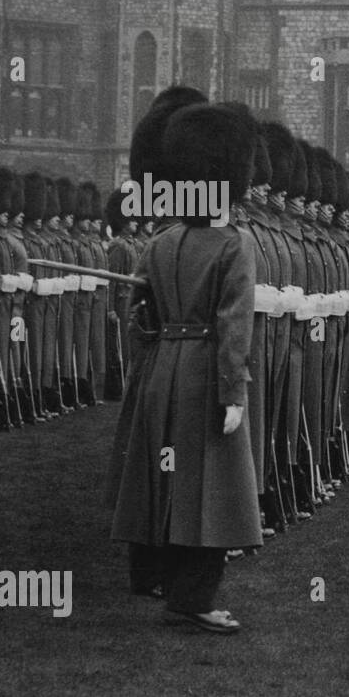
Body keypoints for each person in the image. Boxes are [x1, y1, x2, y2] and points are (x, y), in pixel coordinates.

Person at [108, 102, 263, 634]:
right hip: (204, 373)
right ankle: (193, 597)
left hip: (161, 369)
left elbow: (138, 318)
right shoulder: (234, 244)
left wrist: (150, 361)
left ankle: (152, 574)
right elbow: (233, 328)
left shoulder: (160, 242)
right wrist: (233, 395)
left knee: (161, 474)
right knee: (211, 487)